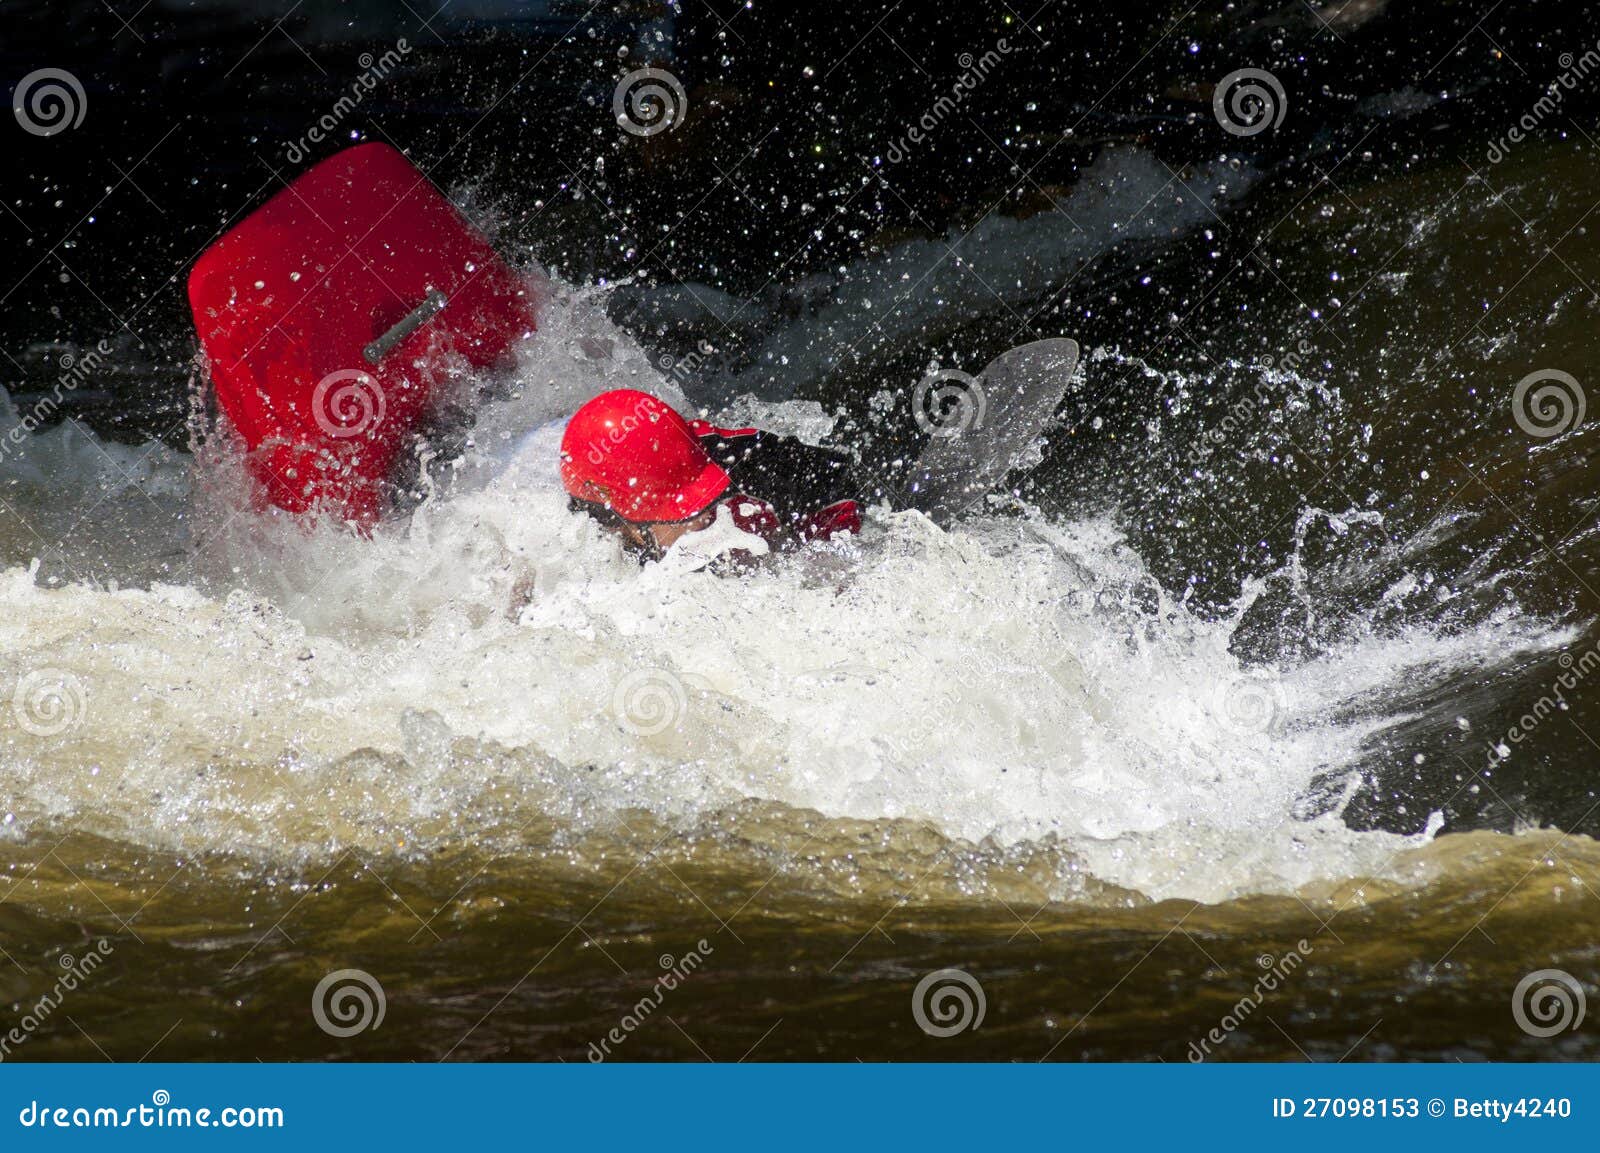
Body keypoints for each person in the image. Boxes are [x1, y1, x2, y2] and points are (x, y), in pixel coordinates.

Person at [559, 389, 867, 563]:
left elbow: (842, 490)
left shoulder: (752, 469)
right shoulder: (584, 539)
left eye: (705, 499)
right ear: (630, 525)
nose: (706, 517)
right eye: (684, 512)